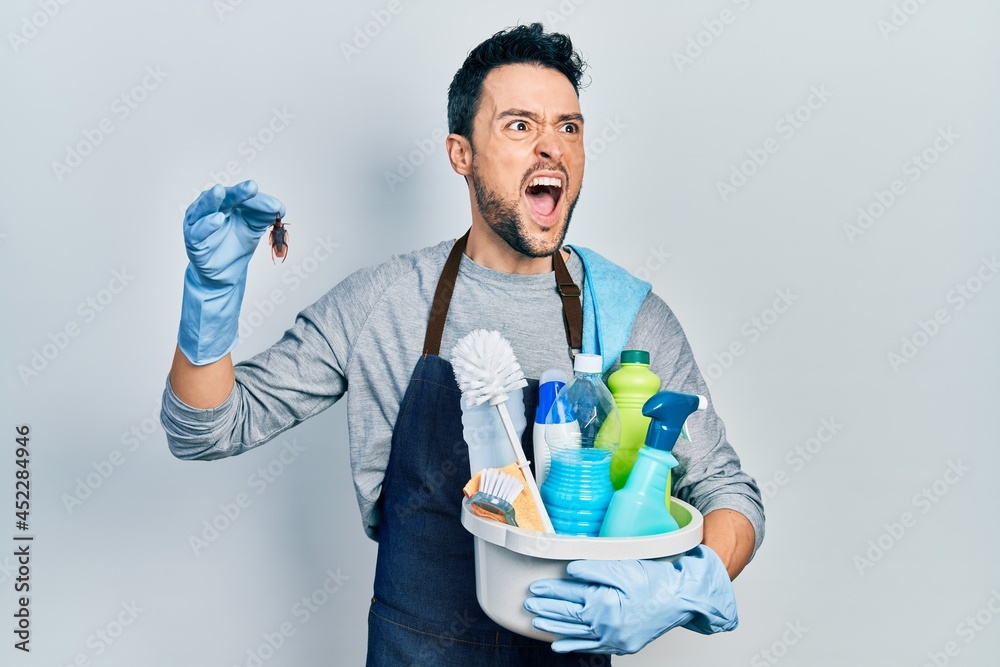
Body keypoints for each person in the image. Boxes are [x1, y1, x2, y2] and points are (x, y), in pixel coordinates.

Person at [161, 23, 765, 665]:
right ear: (461, 154)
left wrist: (680, 588)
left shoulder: (625, 314)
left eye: (568, 127)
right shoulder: (385, 303)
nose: (551, 148)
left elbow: (729, 494)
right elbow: (207, 431)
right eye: (519, 125)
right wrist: (210, 297)